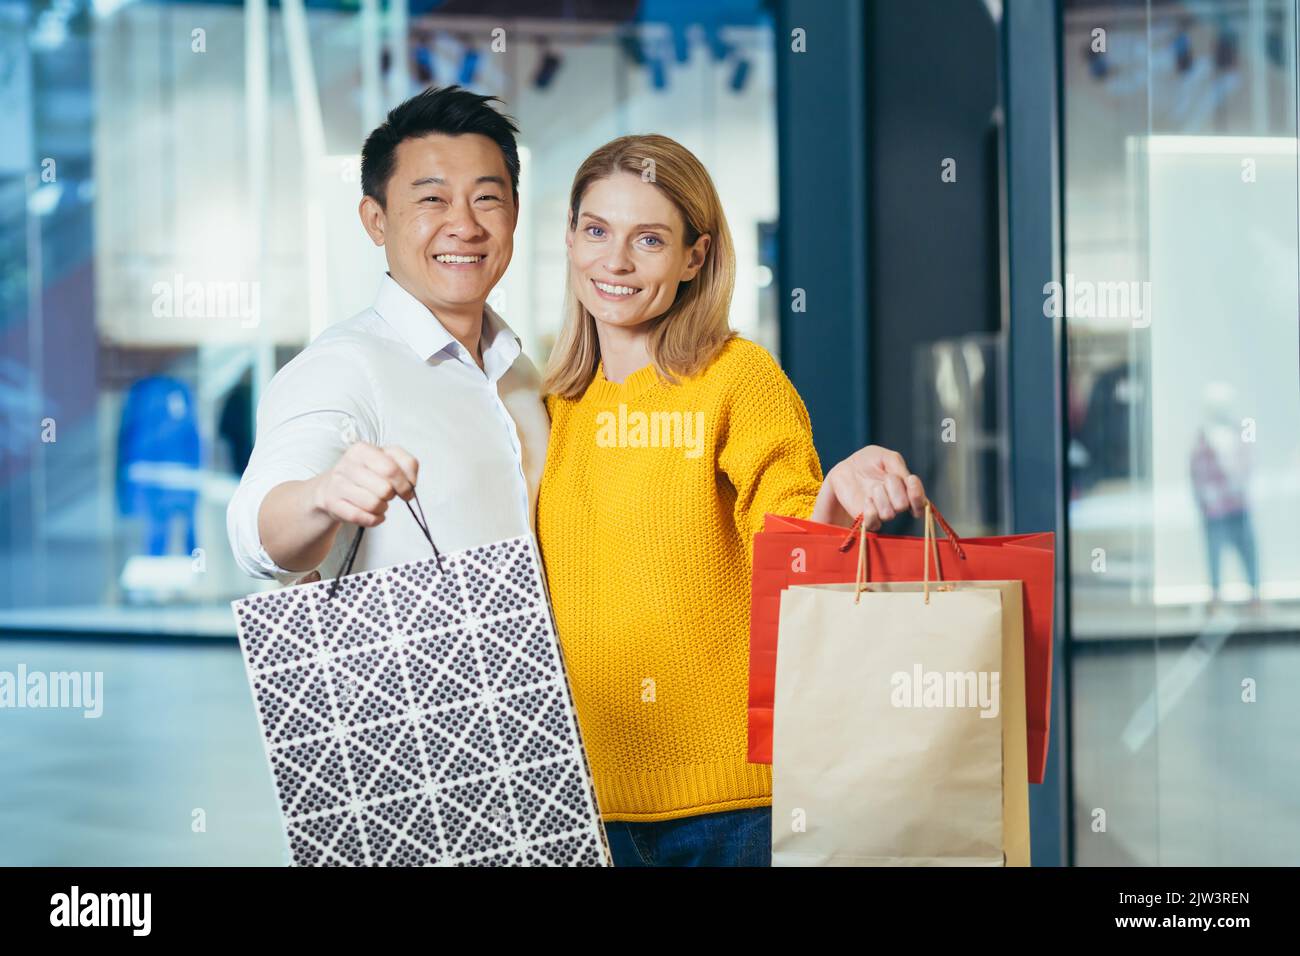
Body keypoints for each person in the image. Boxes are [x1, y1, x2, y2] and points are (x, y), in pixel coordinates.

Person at [536, 134, 927, 866]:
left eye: (648, 239)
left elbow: (791, 527)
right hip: (582, 801)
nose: (613, 262)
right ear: (569, 238)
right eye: (596, 230)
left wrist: (837, 500)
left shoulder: (735, 378)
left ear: (695, 257)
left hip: (736, 809)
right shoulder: (552, 405)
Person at [226, 86, 547, 583]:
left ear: (515, 213)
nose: (463, 225)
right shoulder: (342, 367)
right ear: (375, 221)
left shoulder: (519, 371)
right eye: (432, 200)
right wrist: (322, 495)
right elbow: (256, 536)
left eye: (486, 198)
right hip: (401, 659)